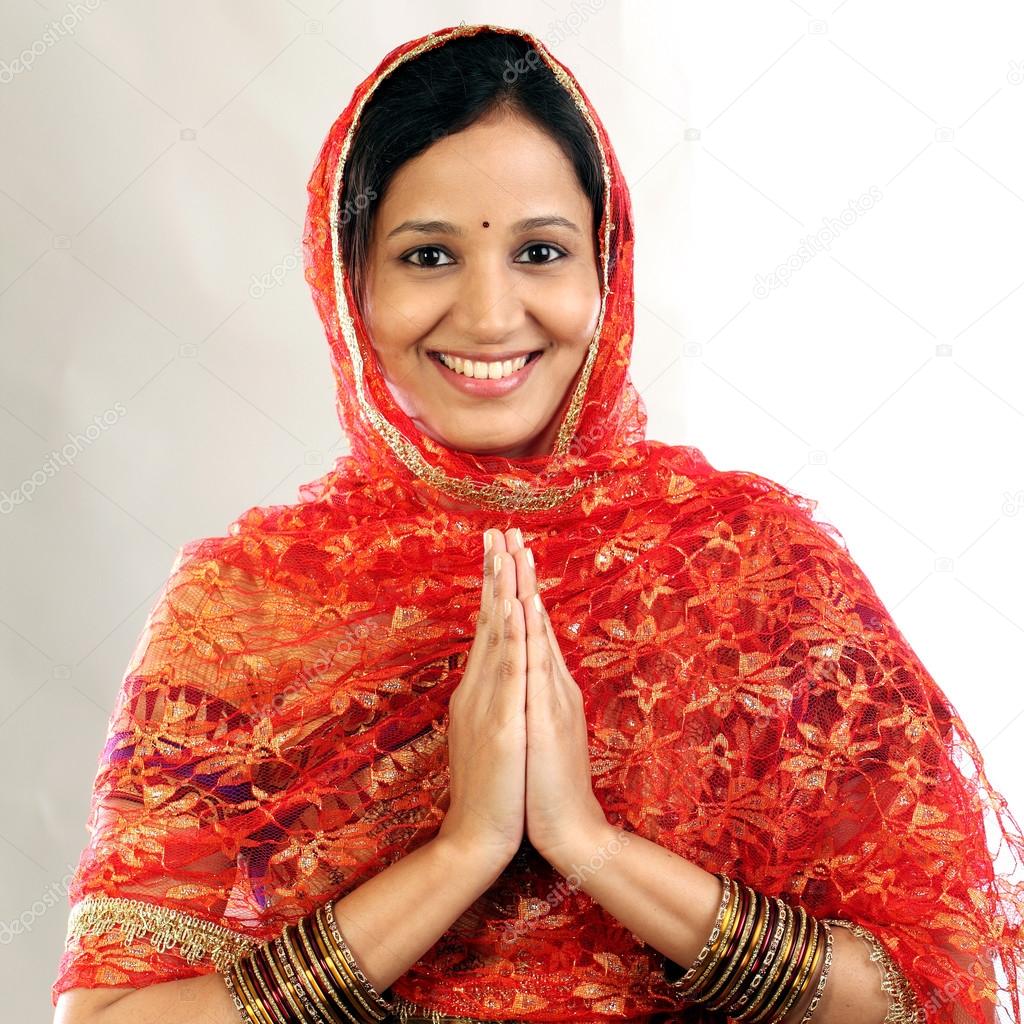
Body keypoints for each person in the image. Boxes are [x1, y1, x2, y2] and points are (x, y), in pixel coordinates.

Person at [52, 22, 1024, 1024]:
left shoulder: (759, 573)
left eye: (539, 252)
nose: (487, 314)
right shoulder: (248, 609)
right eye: (427, 254)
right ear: (352, 283)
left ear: (604, 267)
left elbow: (922, 992)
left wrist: (590, 844)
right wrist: (460, 851)